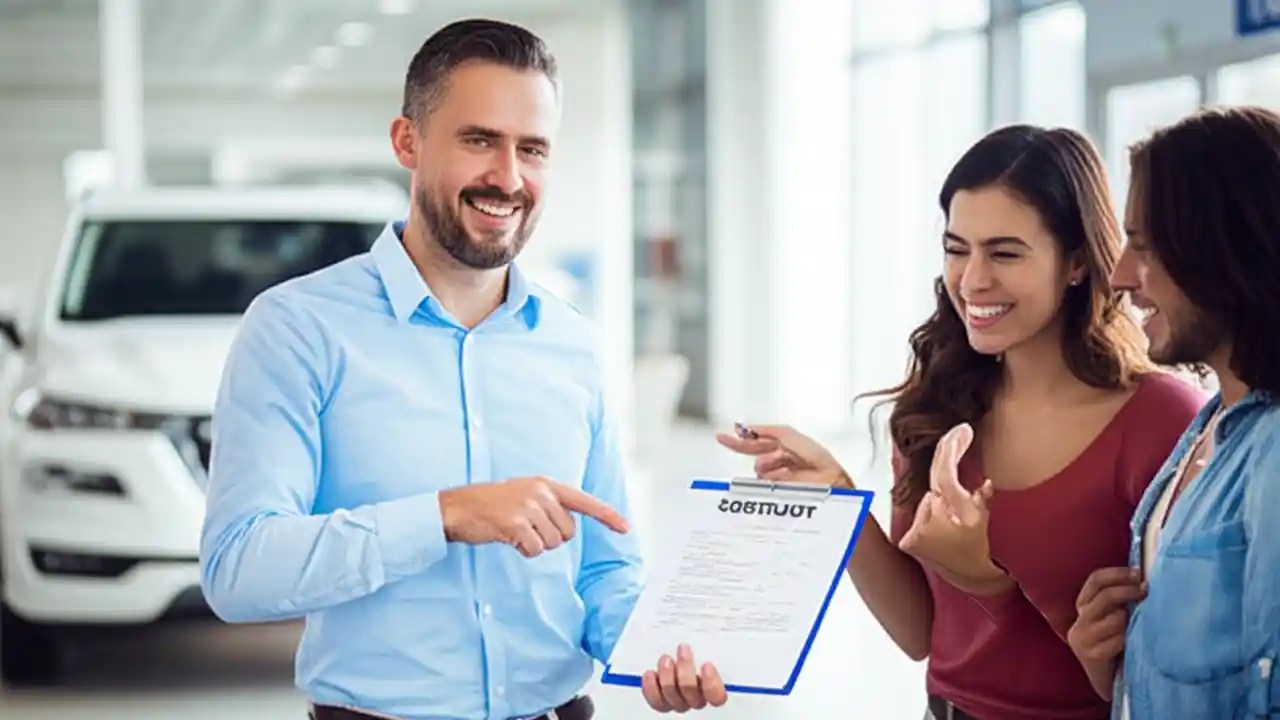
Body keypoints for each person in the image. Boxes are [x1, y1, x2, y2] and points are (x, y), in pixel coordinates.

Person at [199, 19, 724, 720]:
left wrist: (656, 657)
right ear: (407, 142)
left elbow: (604, 567)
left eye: (531, 149)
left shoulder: (572, 343)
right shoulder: (299, 329)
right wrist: (445, 515)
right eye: (479, 140)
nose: (507, 177)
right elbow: (238, 568)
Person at [718, 125, 1207, 719]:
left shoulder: (1161, 419)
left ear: (1077, 261)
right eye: (956, 248)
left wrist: (988, 583)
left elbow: (1164, 670)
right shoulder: (933, 409)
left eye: (1004, 252)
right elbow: (920, 633)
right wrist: (839, 500)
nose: (972, 280)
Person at [1067, 106, 1280, 720]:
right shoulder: (1210, 424)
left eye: (1144, 245)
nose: (1119, 276)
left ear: (1225, 245)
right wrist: (1113, 660)